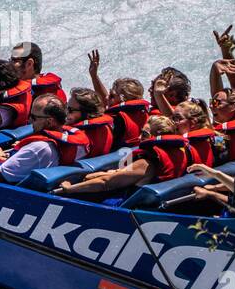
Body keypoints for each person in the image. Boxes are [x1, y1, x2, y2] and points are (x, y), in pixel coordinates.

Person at [0, 95, 87, 184]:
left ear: (50, 121)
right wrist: (1, 158)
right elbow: (32, 164)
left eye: (34, 117)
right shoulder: (67, 137)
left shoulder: (38, 148)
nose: (30, 121)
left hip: (3, 188)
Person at [57, 115, 189, 198]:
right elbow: (120, 174)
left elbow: (106, 183)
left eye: (144, 134)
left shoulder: (145, 164)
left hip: (120, 207)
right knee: (90, 176)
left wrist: (69, 189)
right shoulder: (178, 154)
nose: (138, 138)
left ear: (156, 137)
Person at [87, 49, 151, 146]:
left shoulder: (116, 121)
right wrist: (94, 76)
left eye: (111, 95)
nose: (107, 97)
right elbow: (107, 99)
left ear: (123, 100)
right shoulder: (143, 113)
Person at [65, 87, 114, 157]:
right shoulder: (107, 127)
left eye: (70, 110)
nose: (66, 113)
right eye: (66, 107)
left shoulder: (78, 139)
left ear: (87, 113)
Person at [174, 99, 218, 165]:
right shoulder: (218, 140)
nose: (174, 122)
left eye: (178, 118)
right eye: (173, 118)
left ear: (193, 123)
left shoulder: (181, 149)